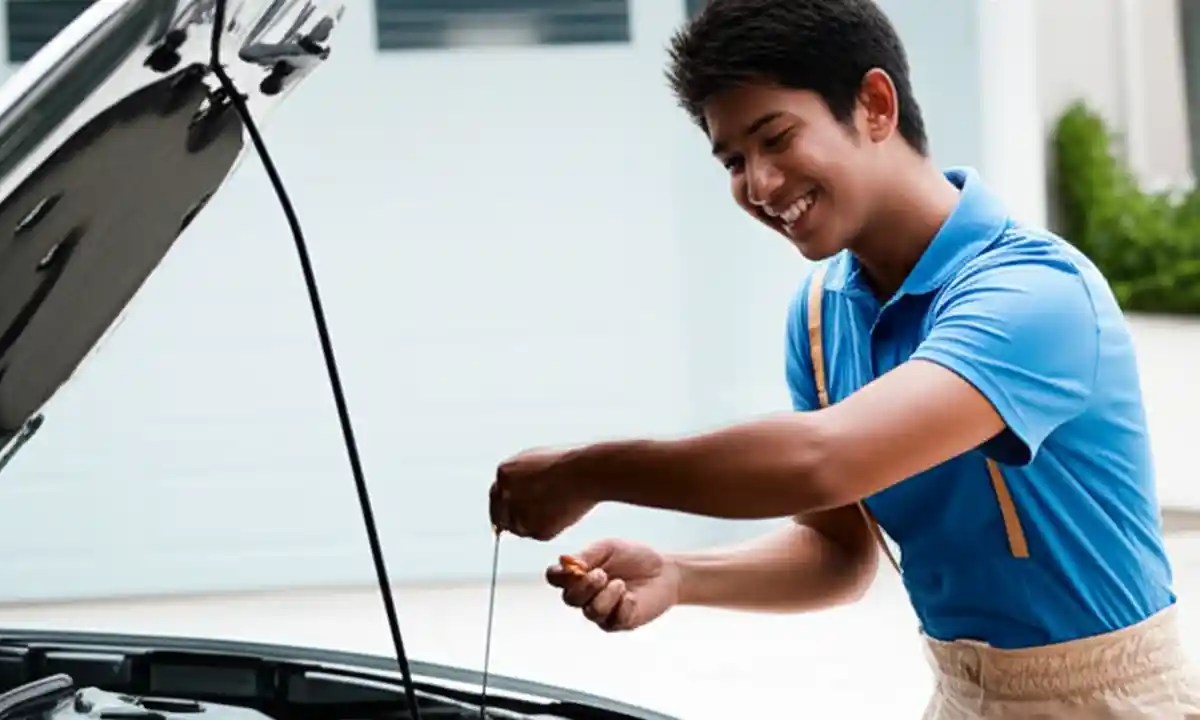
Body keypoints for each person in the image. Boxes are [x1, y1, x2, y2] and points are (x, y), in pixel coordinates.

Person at [485, 0, 1200, 717]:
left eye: (776, 138)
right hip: (959, 698)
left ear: (875, 105)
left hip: (1114, 701)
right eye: (734, 161)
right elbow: (838, 549)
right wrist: (680, 573)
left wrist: (588, 471)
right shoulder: (822, 316)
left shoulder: (1035, 292)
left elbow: (825, 459)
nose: (759, 185)